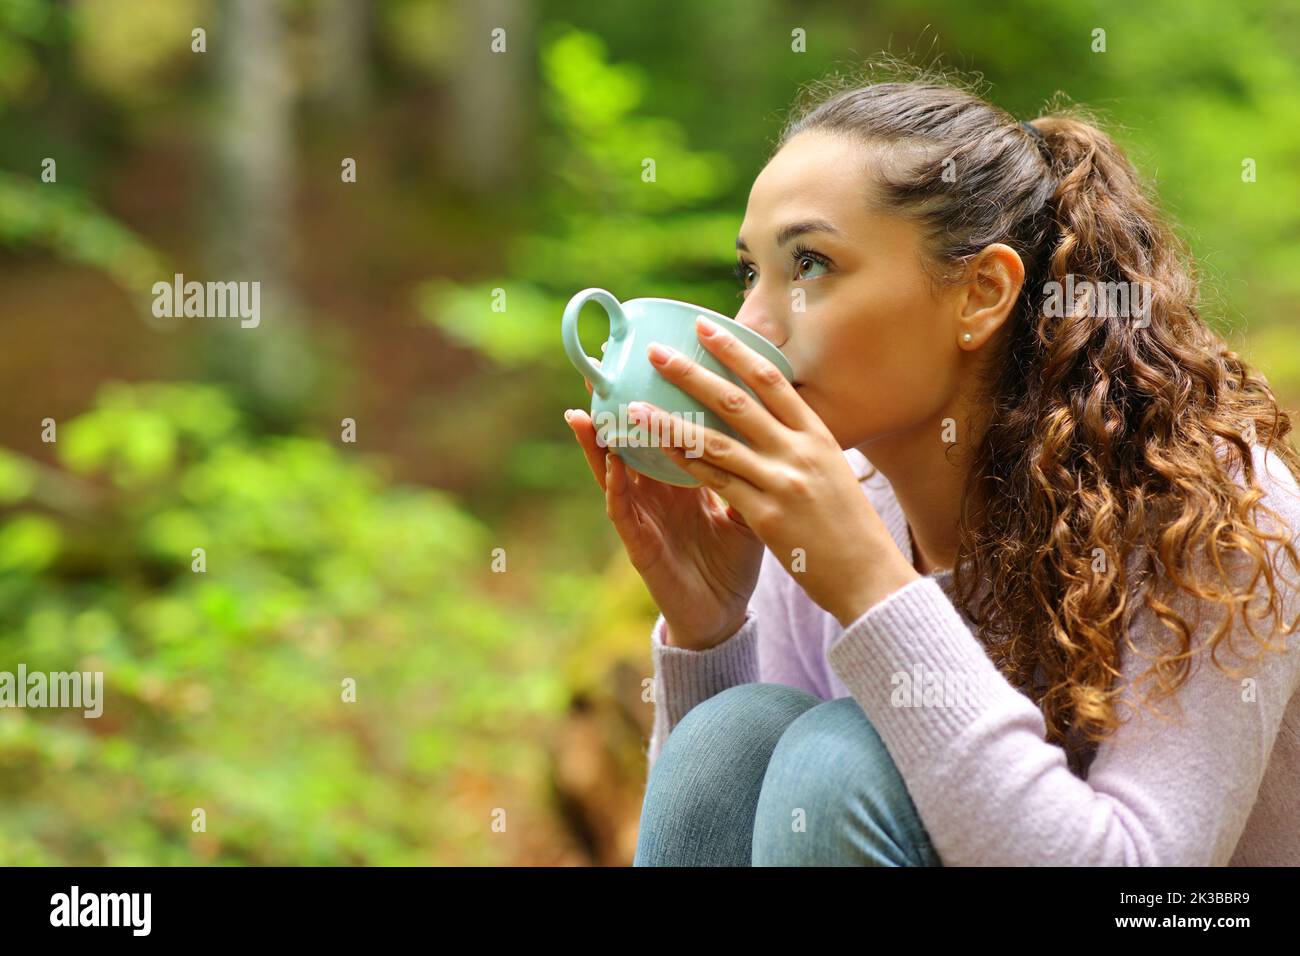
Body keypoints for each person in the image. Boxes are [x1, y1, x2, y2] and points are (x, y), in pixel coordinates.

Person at [563, 66, 1300, 866]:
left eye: (809, 265)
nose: (752, 325)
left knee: (837, 763)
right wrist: (712, 633)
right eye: (750, 273)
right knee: (730, 738)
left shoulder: (1211, 509)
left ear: (982, 293)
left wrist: (874, 589)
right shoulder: (829, 502)